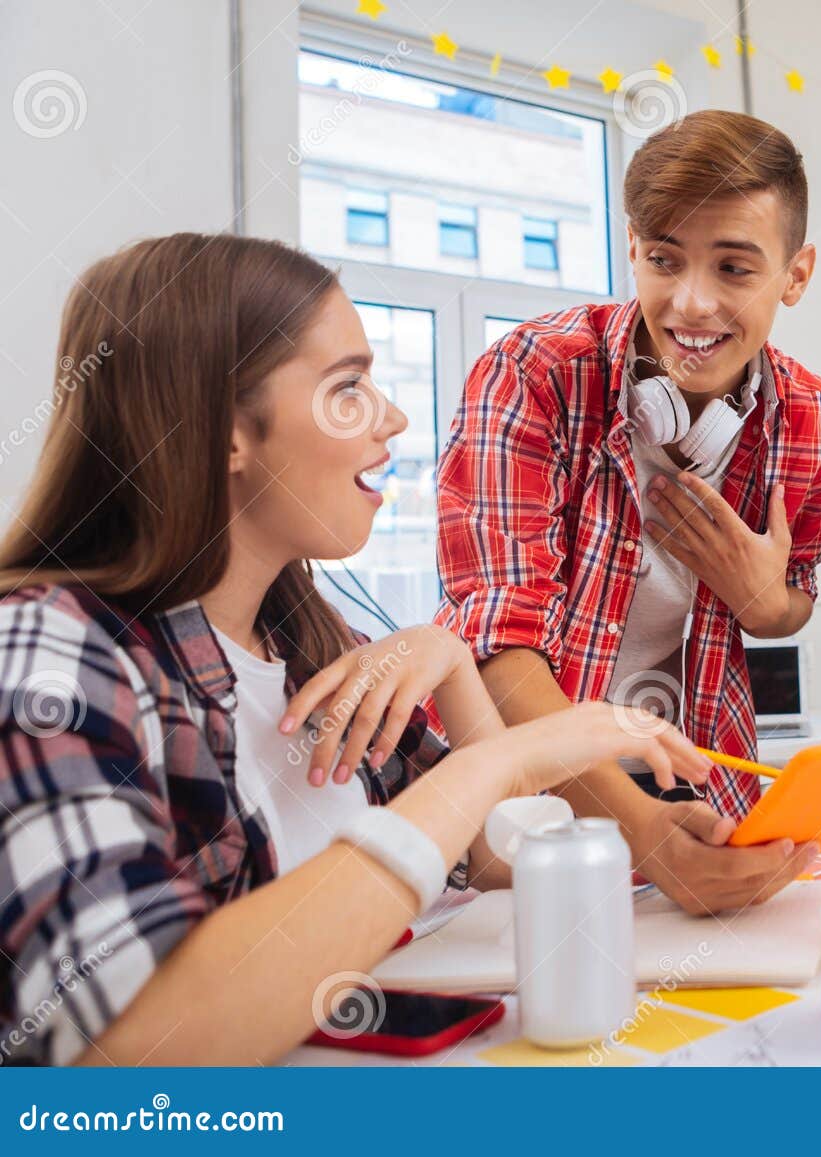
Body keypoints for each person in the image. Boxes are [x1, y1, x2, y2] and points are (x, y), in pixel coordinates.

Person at [0, 233, 707, 1065]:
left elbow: (488, 855)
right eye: (347, 387)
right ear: (225, 431)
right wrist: (501, 760)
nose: (392, 418)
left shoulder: (309, 644)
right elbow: (118, 1034)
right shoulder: (49, 650)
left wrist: (453, 662)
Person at [434, 110, 821, 913]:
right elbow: (496, 642)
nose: (692, 304)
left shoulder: (815, 421)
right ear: (632, 248)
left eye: (734, 268)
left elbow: (795, 593)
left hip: (695, 783)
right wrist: (642, 834)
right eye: (664, 259)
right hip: (517, 792)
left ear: (795, 275)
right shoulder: (532, 373)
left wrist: (763, 602)